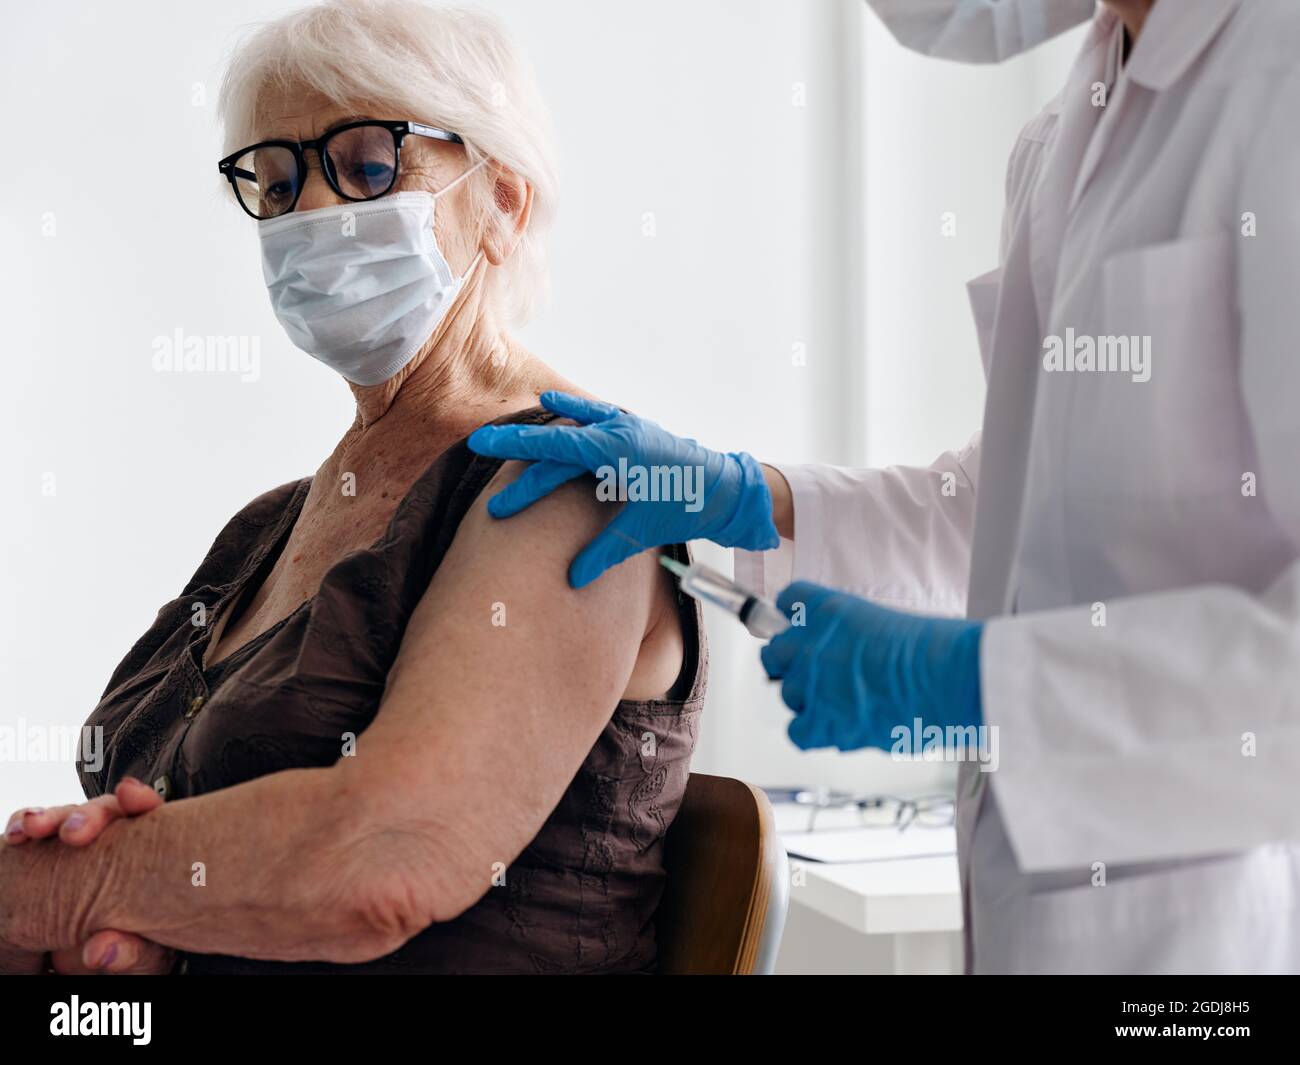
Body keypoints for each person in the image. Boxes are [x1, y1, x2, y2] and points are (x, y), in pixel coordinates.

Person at [469, 0, 1300, 973]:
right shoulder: (1069, 127)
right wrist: (747, 500)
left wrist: (973, 688)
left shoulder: (1275, 82)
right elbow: (997, 516)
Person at [0, 0, 704, 975]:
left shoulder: (578, 478)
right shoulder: (272, 522)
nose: (315, 217)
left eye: (369, 165)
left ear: (503, 199)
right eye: (278, 183)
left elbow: (386, 861)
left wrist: (51, 894)